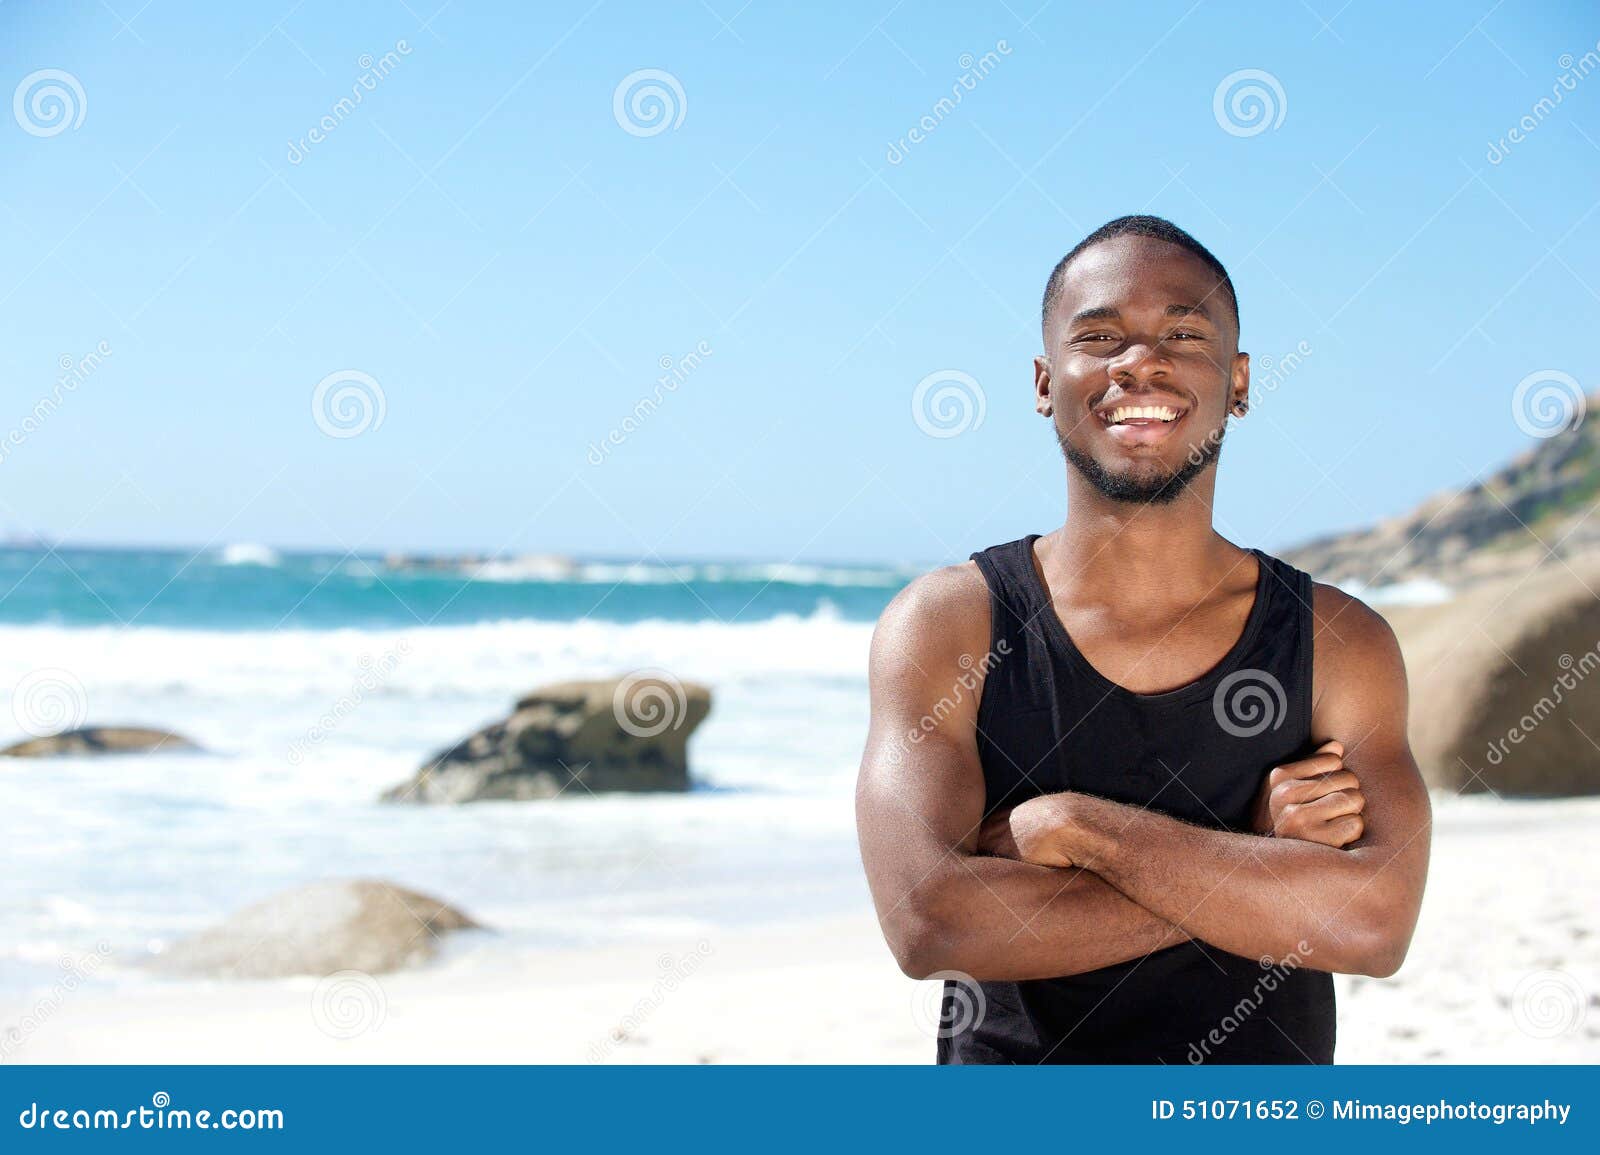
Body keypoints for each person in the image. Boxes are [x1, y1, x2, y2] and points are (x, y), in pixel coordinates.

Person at [855, 215, 1431, 1064]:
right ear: (1046, 381)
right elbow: (929, 920)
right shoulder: (951, 624)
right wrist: (1264, 864)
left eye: (1184, 334)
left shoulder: (1337, 640)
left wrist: (1083, 832)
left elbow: (1375, 923)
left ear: (1238, 380)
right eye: (1099, 337)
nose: (1140, 362)